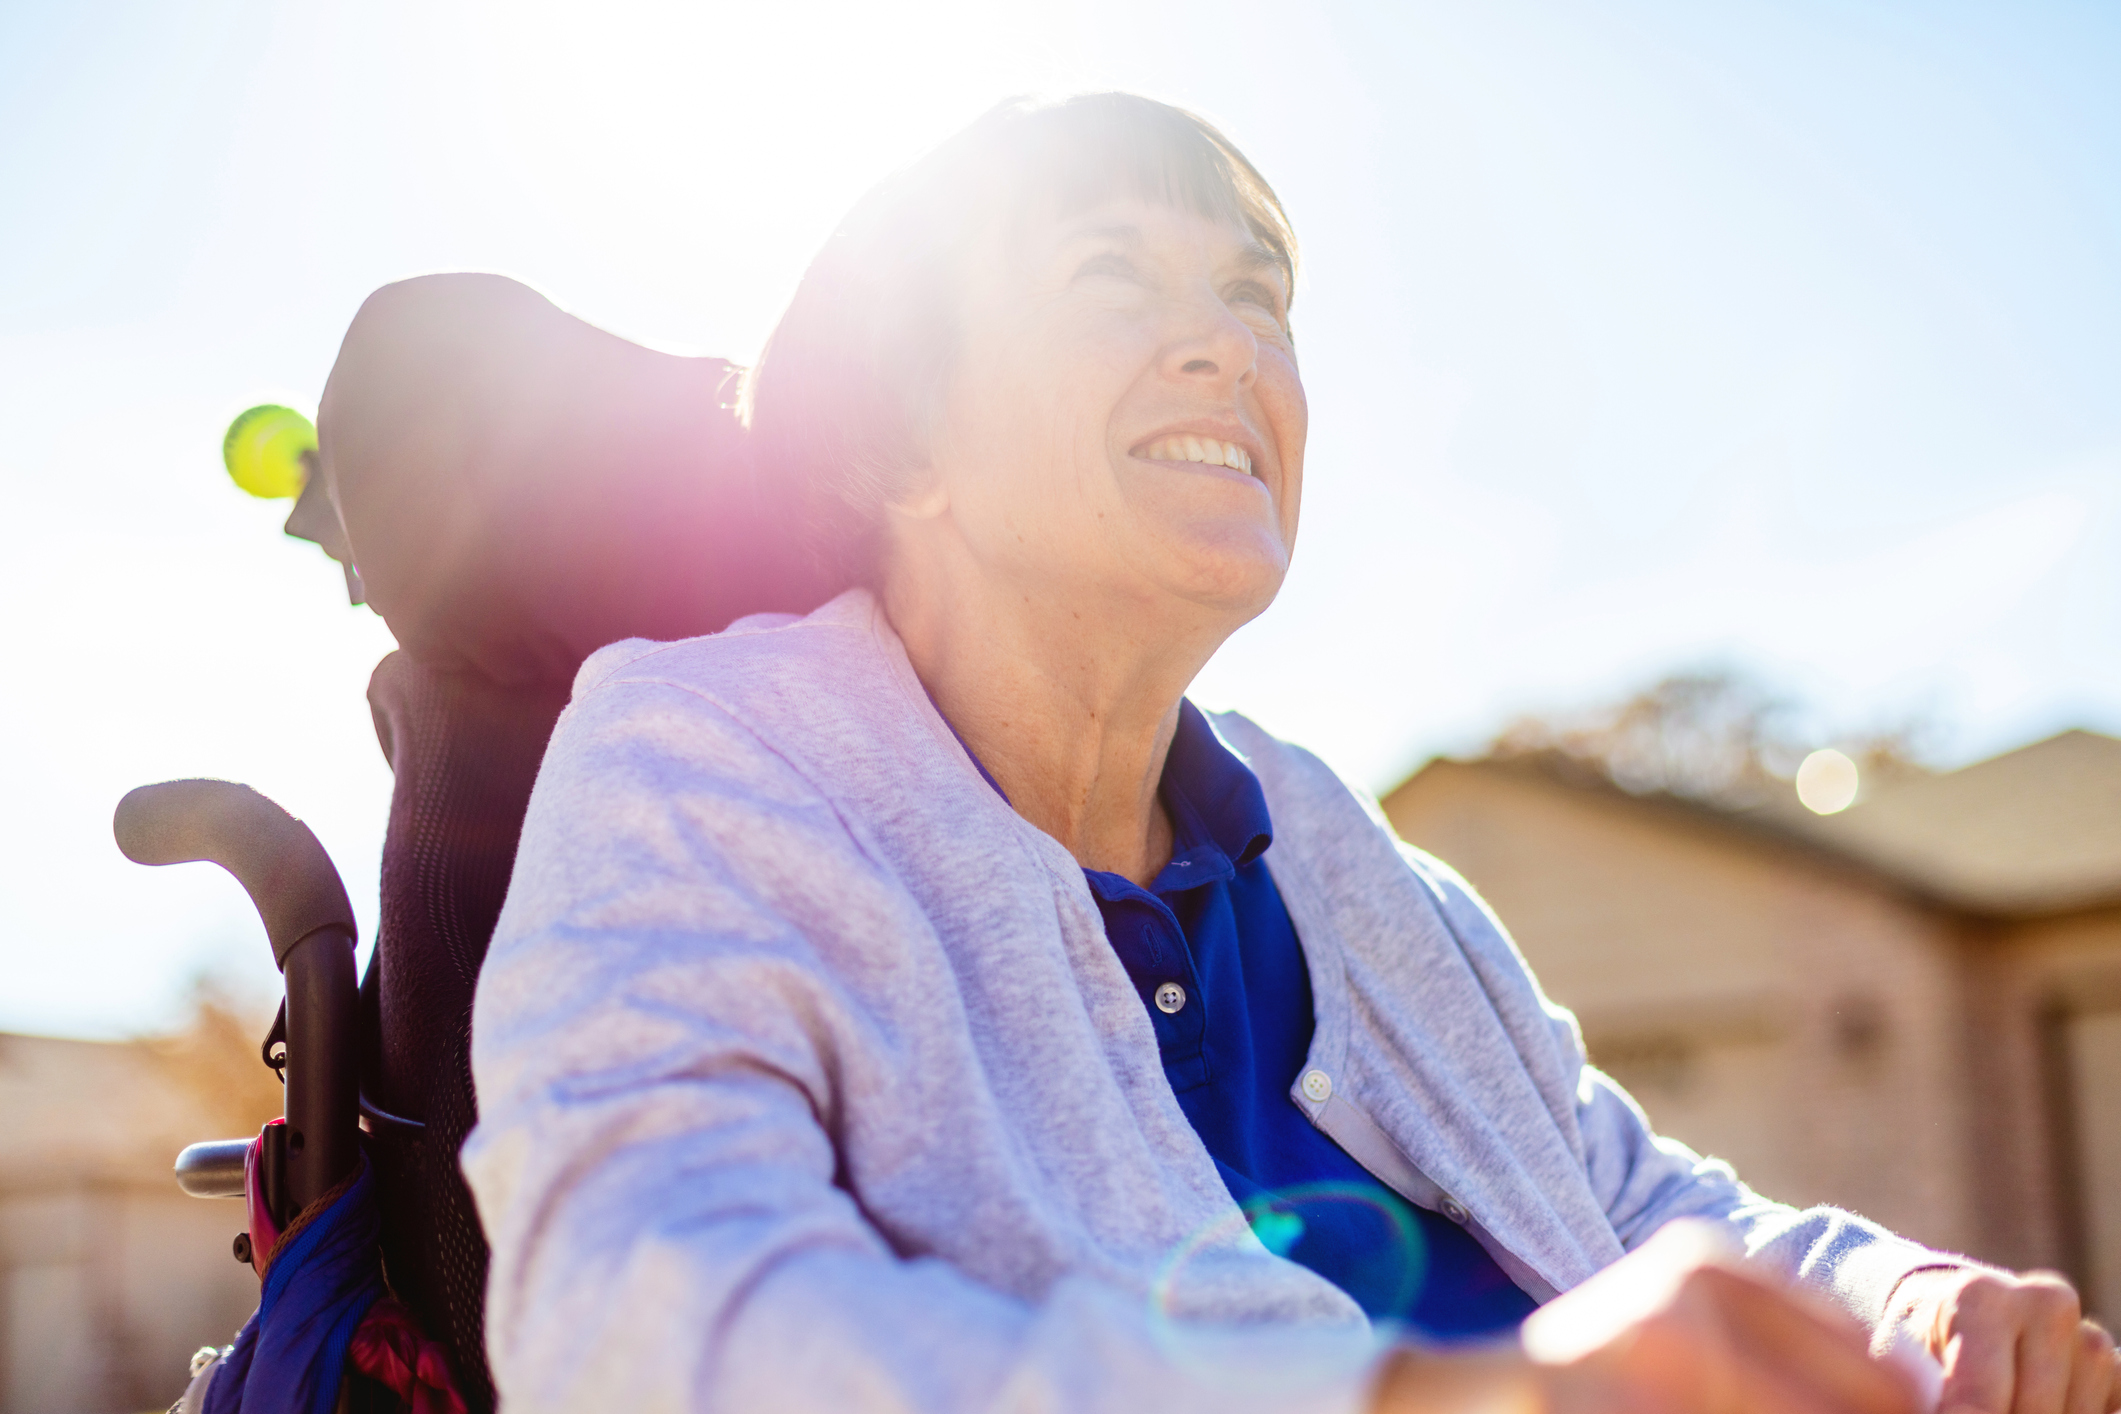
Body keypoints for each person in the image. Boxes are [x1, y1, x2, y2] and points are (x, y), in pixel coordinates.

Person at [460, 94, 2121, 1414]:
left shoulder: (1320, 835)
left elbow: (1630, 1199)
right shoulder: (705, 761)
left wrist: (1902, 1301)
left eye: (1252, 295)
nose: (1229, 348)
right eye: (1111, 276)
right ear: (902, 440)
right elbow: (638, 1317)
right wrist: (1443, 1398)